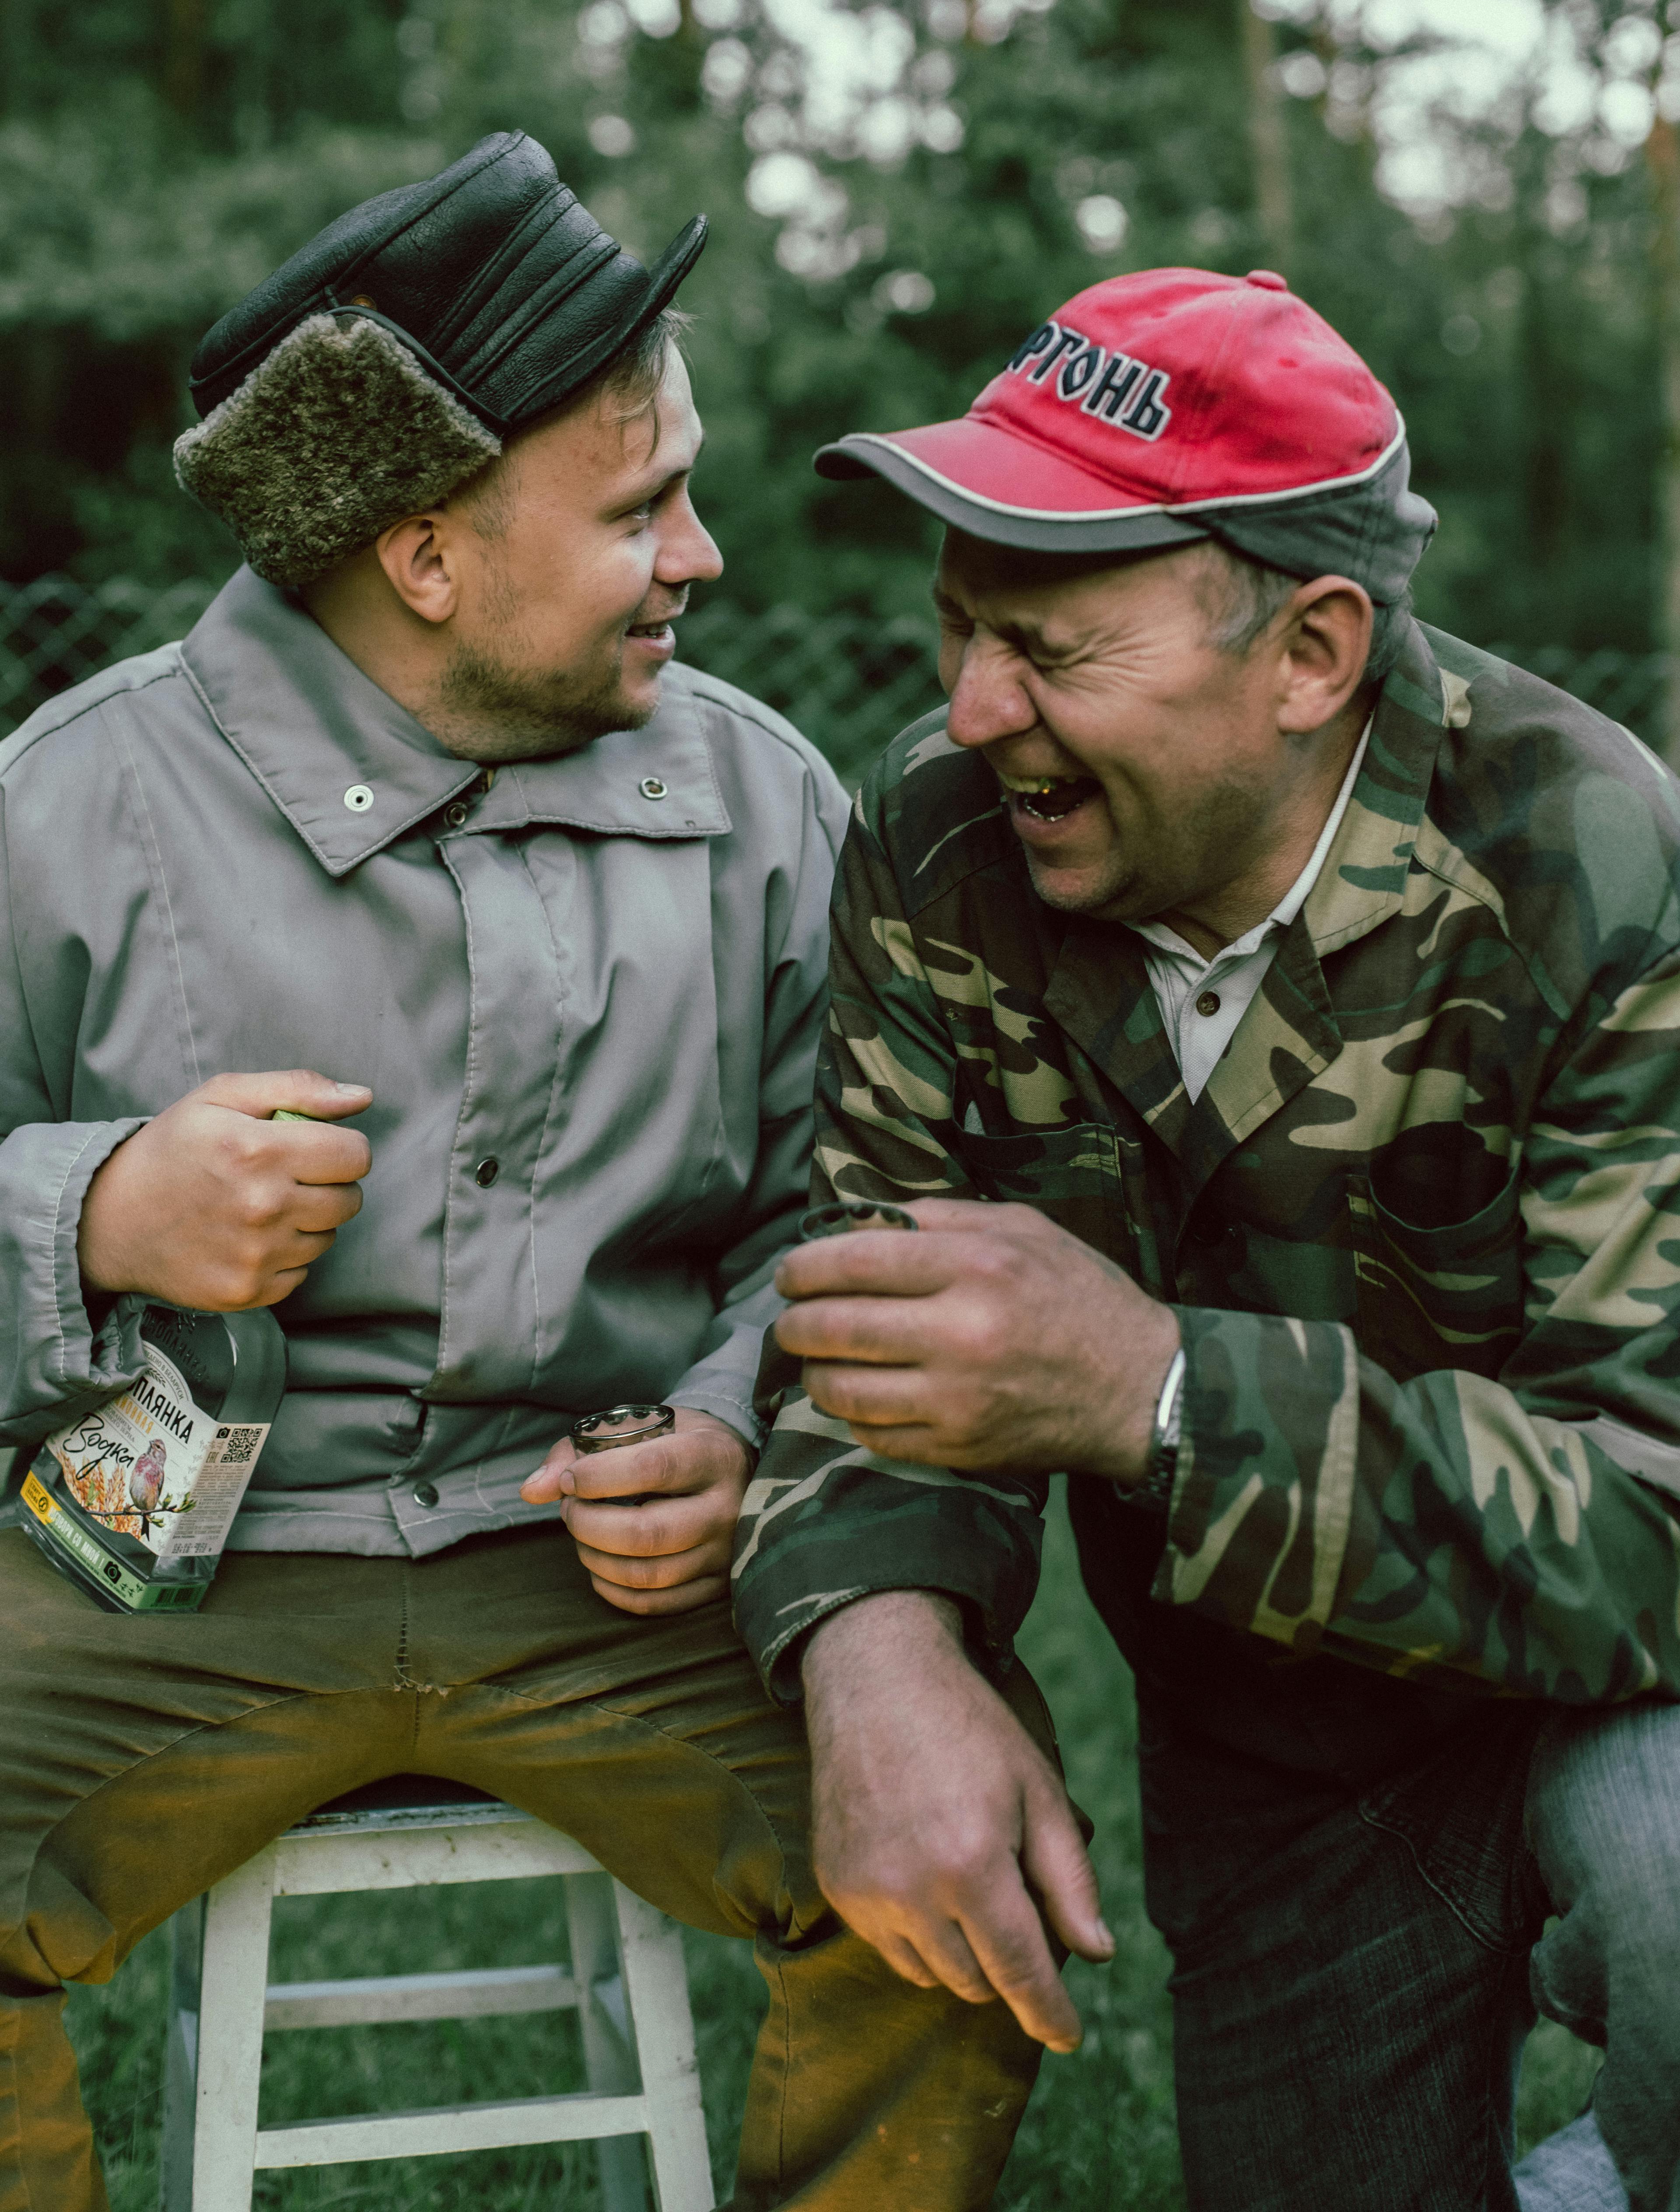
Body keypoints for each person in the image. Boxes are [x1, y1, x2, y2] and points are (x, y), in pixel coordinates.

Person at [0, 133, 1046, 2212]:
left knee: (967, 1852)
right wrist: (95, 1213)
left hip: (621, 1583)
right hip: (166, 1573)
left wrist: (737, 1425)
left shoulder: (765, 802)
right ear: (423, 555)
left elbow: (848, 1214)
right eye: (642, 508)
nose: (705, 558)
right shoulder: (66, 806)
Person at [732, 264, 1680, 2212]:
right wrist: (878, 1642)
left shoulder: (1591, 853)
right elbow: (870, 1304)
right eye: (959, 627)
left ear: (1313, 651)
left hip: (1620, 1697)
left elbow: (1659, 1517)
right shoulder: (938, 844)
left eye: (1052, 651)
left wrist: (1153, 1388)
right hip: (1279, 1744)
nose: (972, 710)